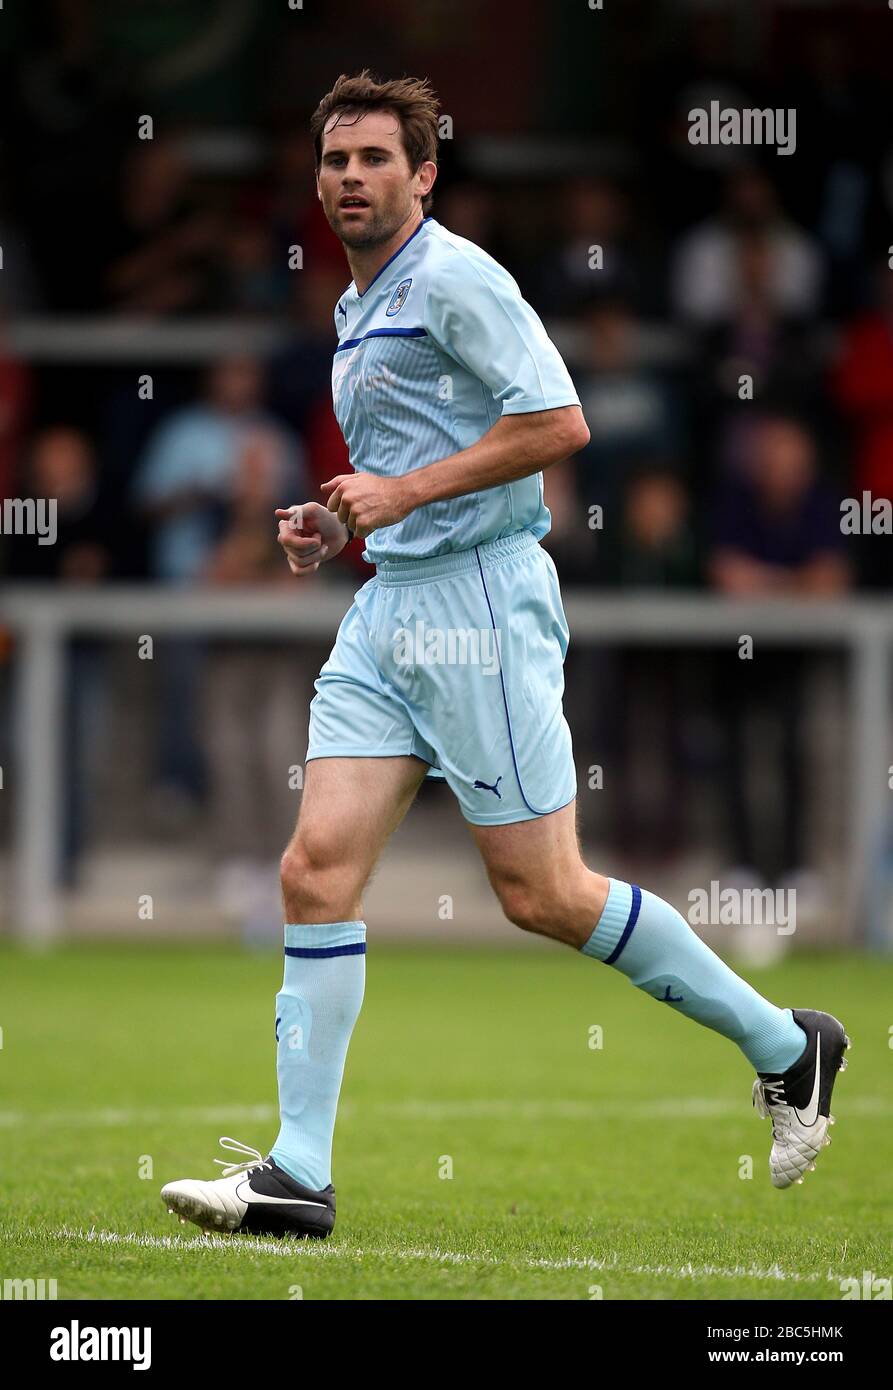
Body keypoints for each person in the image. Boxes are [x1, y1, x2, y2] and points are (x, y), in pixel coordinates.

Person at [161, 73, 850, 1241]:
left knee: (542, 893)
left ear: (422, 175)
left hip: (477, 604)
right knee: (312, 868)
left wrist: (402, 492)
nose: (350, 178)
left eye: (375, 159)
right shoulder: (355, 300)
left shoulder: (457, 275)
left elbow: (558, 421)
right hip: (392, 608)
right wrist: (343, 521)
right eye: (335, 161)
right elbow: (406, 467)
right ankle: (297, 1174)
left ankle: (789, 1048)